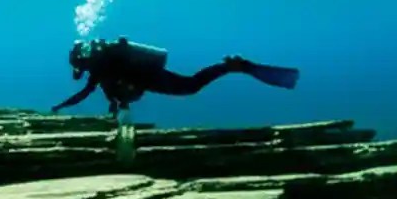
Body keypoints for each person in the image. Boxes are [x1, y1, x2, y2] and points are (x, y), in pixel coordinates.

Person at [51, 37, 298, 116]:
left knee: (190, 86)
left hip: (149, 77)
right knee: (190, 85)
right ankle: (232, 66)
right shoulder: (104, 64)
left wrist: (60, 106)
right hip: (146, 77)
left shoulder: (100, 67)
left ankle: (232, 66)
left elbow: (84, 93)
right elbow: (105, 88)